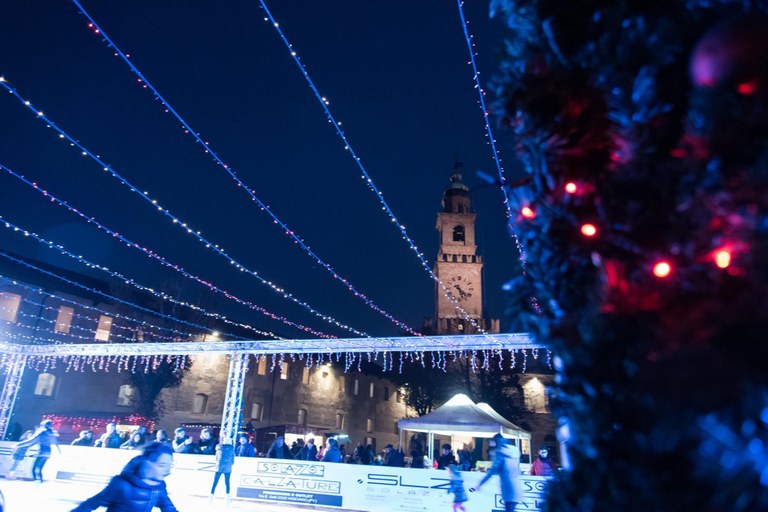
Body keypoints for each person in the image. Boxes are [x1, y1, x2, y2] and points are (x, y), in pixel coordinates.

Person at [71, 442, 177, 512]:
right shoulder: (122, 485)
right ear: (147, 463)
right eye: (162, 465)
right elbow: (92, 503)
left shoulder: (158, 488)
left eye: (169, 465)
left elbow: (168, 508)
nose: (167, 470)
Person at [470, 434, 523, 512]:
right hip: (517, 486)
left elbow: (492, 472)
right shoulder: (514, 450)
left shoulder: (500, 453)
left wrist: (480, 484)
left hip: (508, 487)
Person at [210, 434, 235, 506]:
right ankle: (227, 499)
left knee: (215, 482)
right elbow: (233, 461)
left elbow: (216, 458)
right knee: (227, 483)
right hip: (227, 468)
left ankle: (211, 497)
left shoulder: (218, 448)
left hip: (219, 467)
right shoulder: (231, 449)